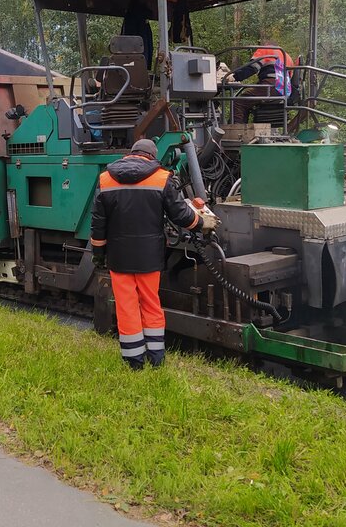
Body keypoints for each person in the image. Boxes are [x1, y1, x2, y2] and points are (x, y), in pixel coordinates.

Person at [90, 138, 218, 369]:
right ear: (152, 156)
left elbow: (98, 224)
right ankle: (156, 359)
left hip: (119, 258)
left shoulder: (105, 179)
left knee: (126, 306)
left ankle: (133, 362)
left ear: (131, 154)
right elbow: (181, 216)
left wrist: (98, 253)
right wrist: (202, 223)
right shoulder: (161, 177)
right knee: (150, 304)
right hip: (150, 257)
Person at [231, 45, 300, 124]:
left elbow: (252, 68)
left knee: (239, 102)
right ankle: (244, 129)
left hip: (271, 86)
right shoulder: (286, 55)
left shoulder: (265, 50)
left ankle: (236, 130)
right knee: (248, 101)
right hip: (285, 91)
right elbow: (290, 77)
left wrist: (234, 77)